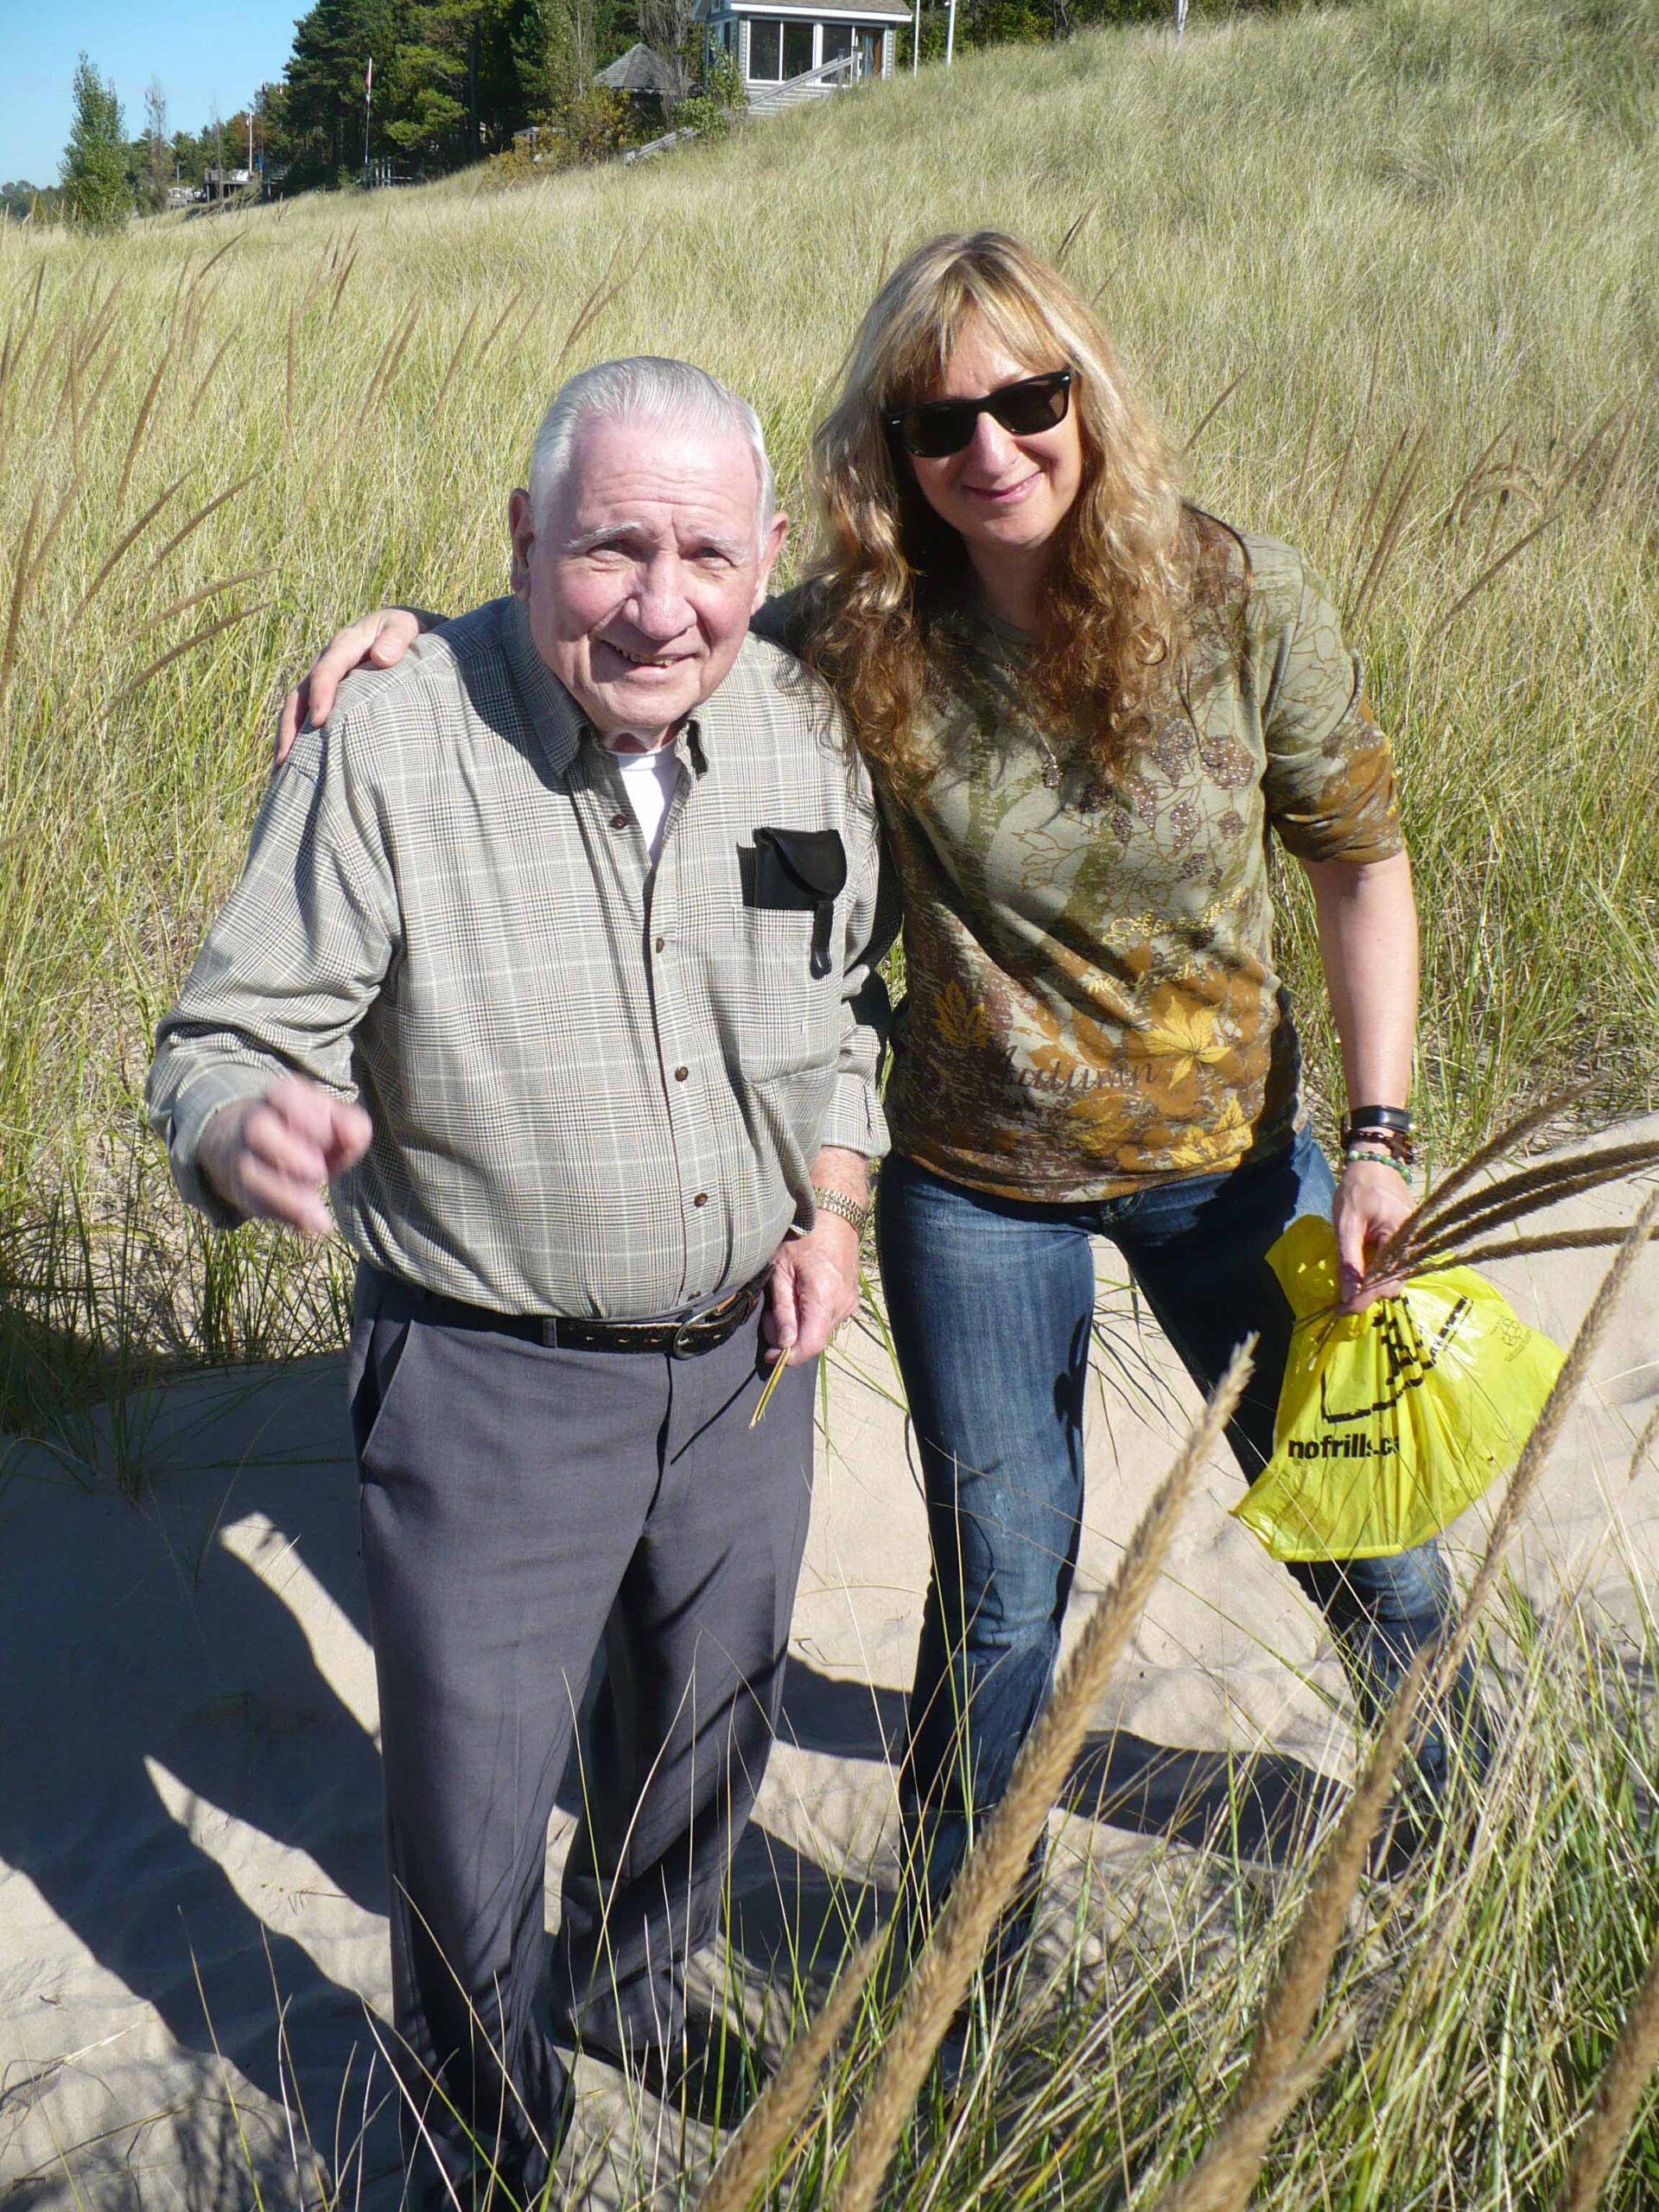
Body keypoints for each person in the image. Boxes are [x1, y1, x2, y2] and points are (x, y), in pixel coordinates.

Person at [285, 235, 1486, 1962]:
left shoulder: (1241, 596)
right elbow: (636, 616)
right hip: (974, 1183)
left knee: (1374, 1531)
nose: (990, 445)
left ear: (1087, 397)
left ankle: (1457, 1815)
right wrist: (415, 635)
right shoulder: (851, 635)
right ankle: (967, 1933)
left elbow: (1362, 863)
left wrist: (1377, 1137)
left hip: (1238, 1169)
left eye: (1028, 398)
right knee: (1004, 1582)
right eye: (940, 421)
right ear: (893, 450)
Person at [148, 357, 893, 2205]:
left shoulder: (803, 728)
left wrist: (832, 1201)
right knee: (471, 1802)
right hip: (485, 1379)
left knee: (701, 1731)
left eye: (706, 551)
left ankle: (639, 1992)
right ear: (522, 540)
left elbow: (833, 1029)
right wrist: (248, 1130)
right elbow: (221, 1039)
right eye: (610, 548)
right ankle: (481, 2099)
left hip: (742, 1370)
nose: (661, 601)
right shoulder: (391, 741)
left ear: (768, 553)